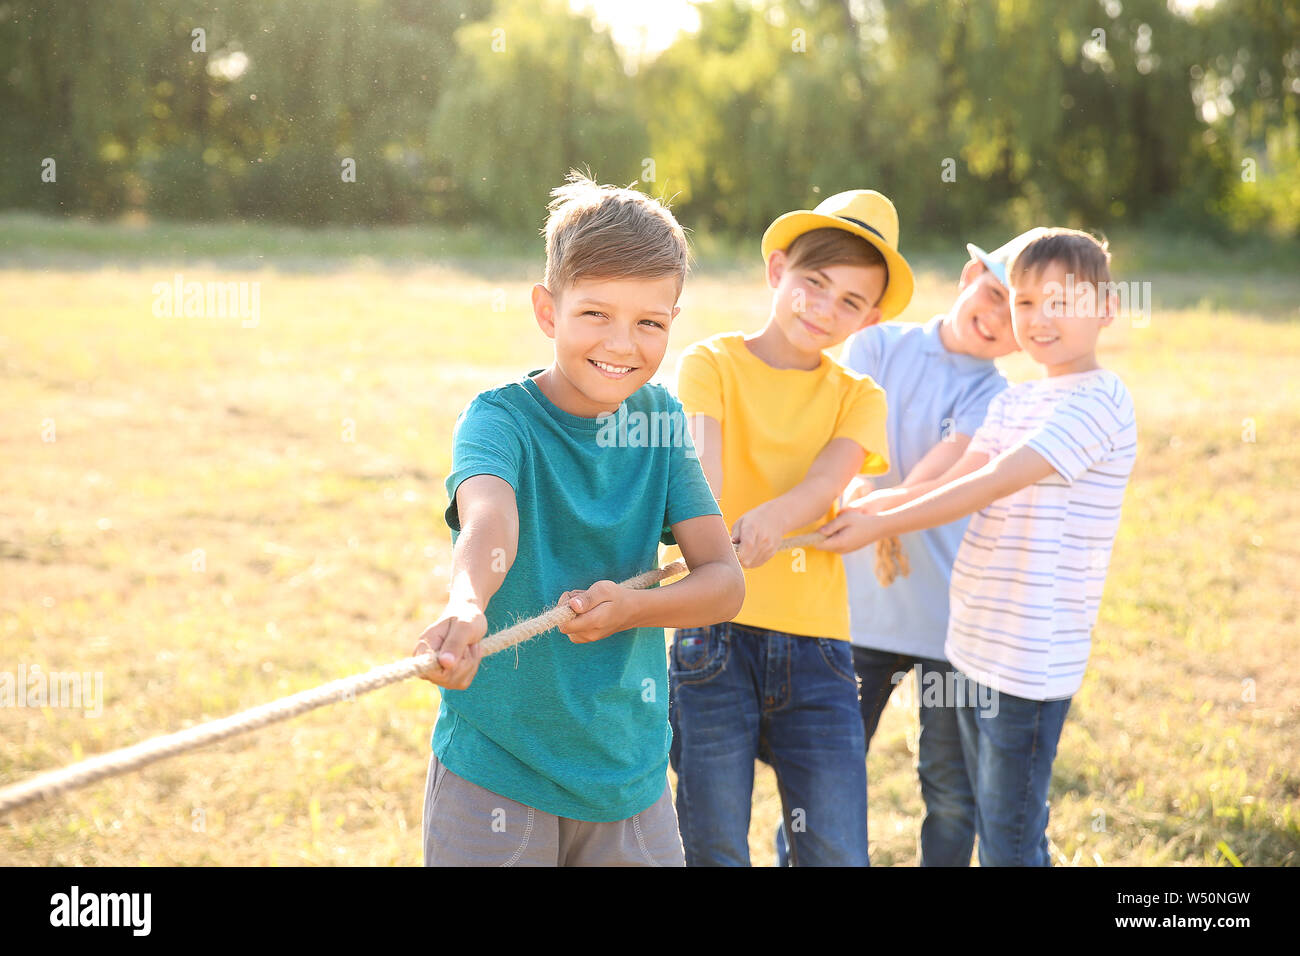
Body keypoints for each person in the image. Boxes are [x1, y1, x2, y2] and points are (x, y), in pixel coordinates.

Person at [413, 171, 745, 867]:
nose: (623, 345)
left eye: (650, 322)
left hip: (626, 774)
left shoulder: (660, 424)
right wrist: (468, 603)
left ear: (672, 323)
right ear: (547, 310)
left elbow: (723, 580)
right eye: (595, 314)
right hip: (497, 765)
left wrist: (633, 610)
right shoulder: (499, 419)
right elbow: (489, 518)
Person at [818, 228, 1138, 866]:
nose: (1034, 320)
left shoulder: (1101, 400)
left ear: (1105, 309)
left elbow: (992, 482)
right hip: (972, 643)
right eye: (1023, 302)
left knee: (1009, 840)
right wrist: (872, 504)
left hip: (1027, 663)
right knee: (979, 812)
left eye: (1060, 303)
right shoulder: (1017, 399)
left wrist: (882, 524)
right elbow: (954, 478)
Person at [670, 189, 910, 866]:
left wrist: (774, 519)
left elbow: (824, 484)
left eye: (849, 302)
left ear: (872, 318)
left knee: (834, 848)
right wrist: (715, 534)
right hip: (713, 631)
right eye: (814, 284)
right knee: (714, 843)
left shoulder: (858, 397)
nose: (825, 310)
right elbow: (702, 484)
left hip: (818, 649)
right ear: (777, 270)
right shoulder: (710, 364)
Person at [826, 229, 1044, 868]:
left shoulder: (996, 398)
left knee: (949, 790)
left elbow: (939, 481)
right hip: (856, 613)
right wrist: (853, 481)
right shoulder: (878, 343)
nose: (997, 318)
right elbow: (843, 432)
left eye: (1020, 312)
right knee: (826, 776)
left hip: (950, 623)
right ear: (967, 275)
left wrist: (874, 503)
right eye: (995, 293)